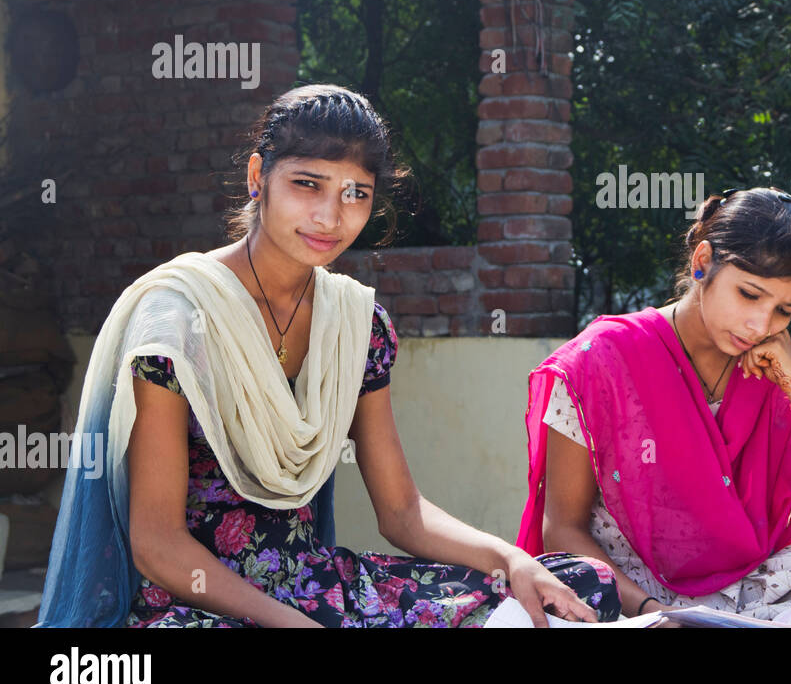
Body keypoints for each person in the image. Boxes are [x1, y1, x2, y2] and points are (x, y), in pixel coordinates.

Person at [37, 83, 618, 628]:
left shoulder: (355, 324)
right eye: (308, 185)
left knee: (572, 585)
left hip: (313, 585)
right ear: (257, 176)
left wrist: (512, 559)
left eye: (356, 194)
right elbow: (156, 542)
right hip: (199, 601)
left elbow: (402, 512)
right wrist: (290, 624)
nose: (330, 217)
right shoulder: (178, 318)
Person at [518, 186, 791, 623]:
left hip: (748, 586)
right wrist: (655, 612)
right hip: (636, 594)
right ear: (702, 262)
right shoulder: (600, 359)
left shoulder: (765, 369)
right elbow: (563, 529)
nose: (761, 324)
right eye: (749, 294)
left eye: (784, 310)